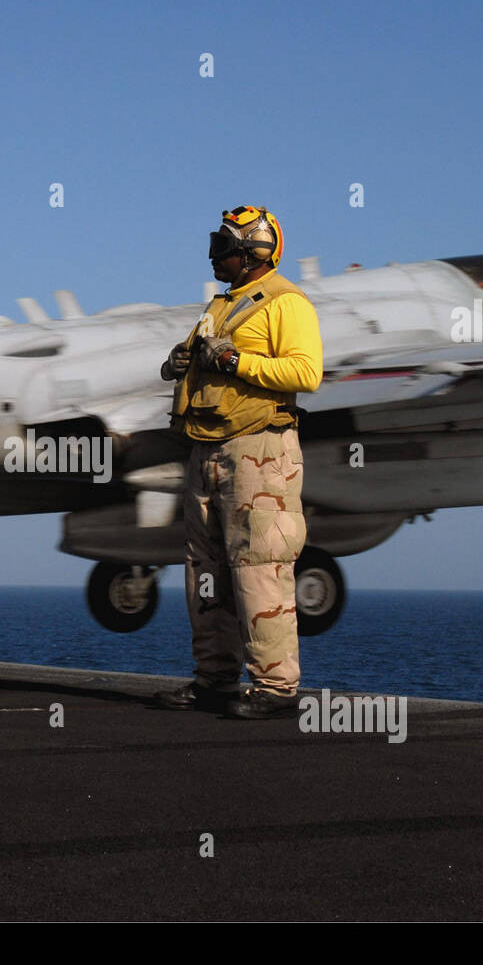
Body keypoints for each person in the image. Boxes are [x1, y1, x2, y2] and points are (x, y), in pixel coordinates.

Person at [155, 206, 323, 719]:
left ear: (253, 250)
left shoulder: (286, 303)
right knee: (204, 571)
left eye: (223, 244)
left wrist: (234, 360)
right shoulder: (221, 306)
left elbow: (306, 372)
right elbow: (186, 362)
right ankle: (215, 680)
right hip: (207, 448)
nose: (215, 254)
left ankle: (276, 688)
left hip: (259, 450)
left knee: (260, 566)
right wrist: (175, 362)